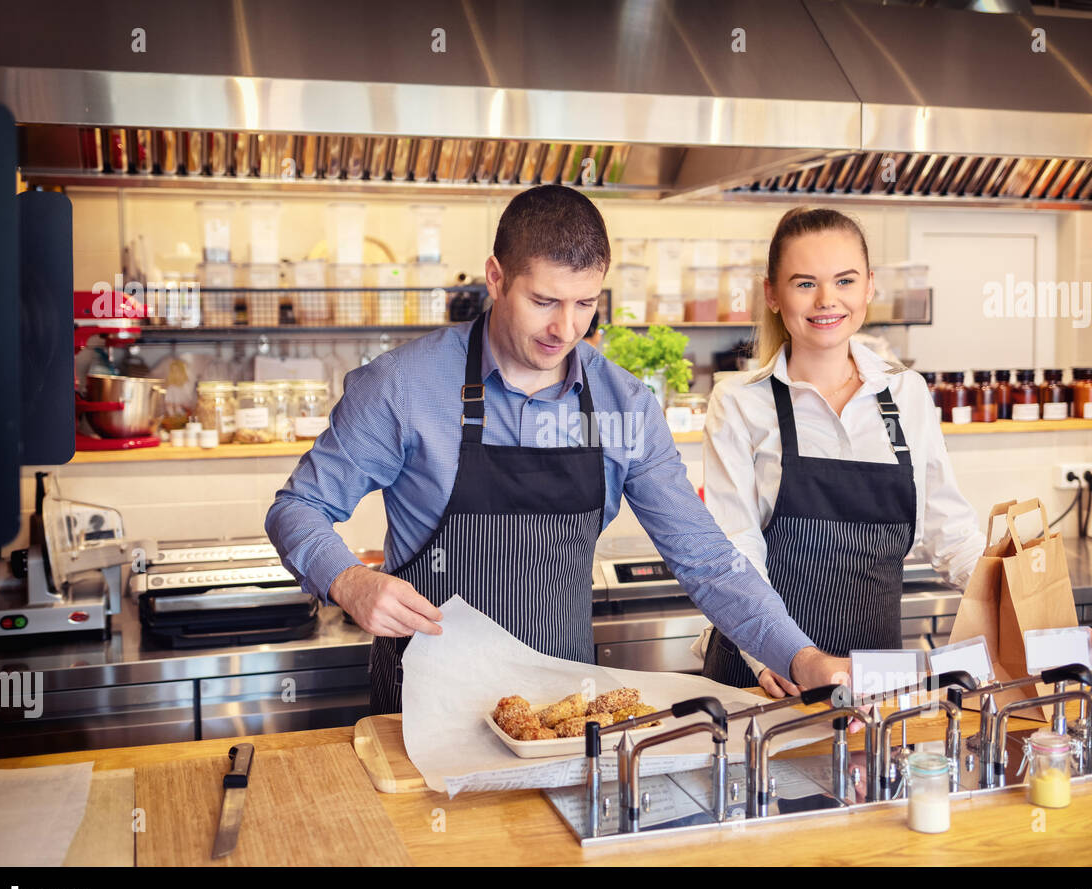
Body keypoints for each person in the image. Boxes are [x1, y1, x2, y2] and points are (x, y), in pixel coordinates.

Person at [265, 186, 848, 714]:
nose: (565, 329)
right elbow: (296, 508)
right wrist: (347, 580)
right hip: (424, 705)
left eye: (585, 304)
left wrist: (801, 658)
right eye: (544, 300)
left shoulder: (624, 405)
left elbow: (706, 560)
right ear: (496, 278)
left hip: (562, 709)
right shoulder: (402, 388)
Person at [698, 206, 1092, 697]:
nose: (827, 300)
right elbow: (734, 551)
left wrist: (1044, 625)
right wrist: (772, 652)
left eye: (846, 281)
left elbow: (952, 537)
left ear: (870, 287)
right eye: (805, 283)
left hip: (874, 681)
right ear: (772, 293)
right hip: (766, 679)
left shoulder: (906, 394)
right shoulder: (740, 402)